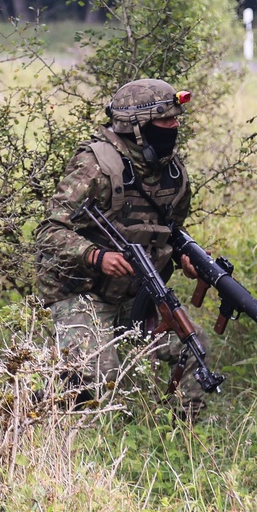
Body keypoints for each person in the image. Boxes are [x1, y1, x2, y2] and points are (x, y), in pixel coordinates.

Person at [35, 78, 208, 420]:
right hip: (80, 291)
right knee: (101, 376)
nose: (173, 126)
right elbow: (49, 231)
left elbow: (168, 231)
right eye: (165, 121)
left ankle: (186, 436)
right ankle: (39, 416)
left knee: (193, 347)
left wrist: (184, 255)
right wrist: (95, 256)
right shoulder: (96, 166)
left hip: (136, 293)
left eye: (176, 119)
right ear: (137, 127)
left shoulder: (172, 172)